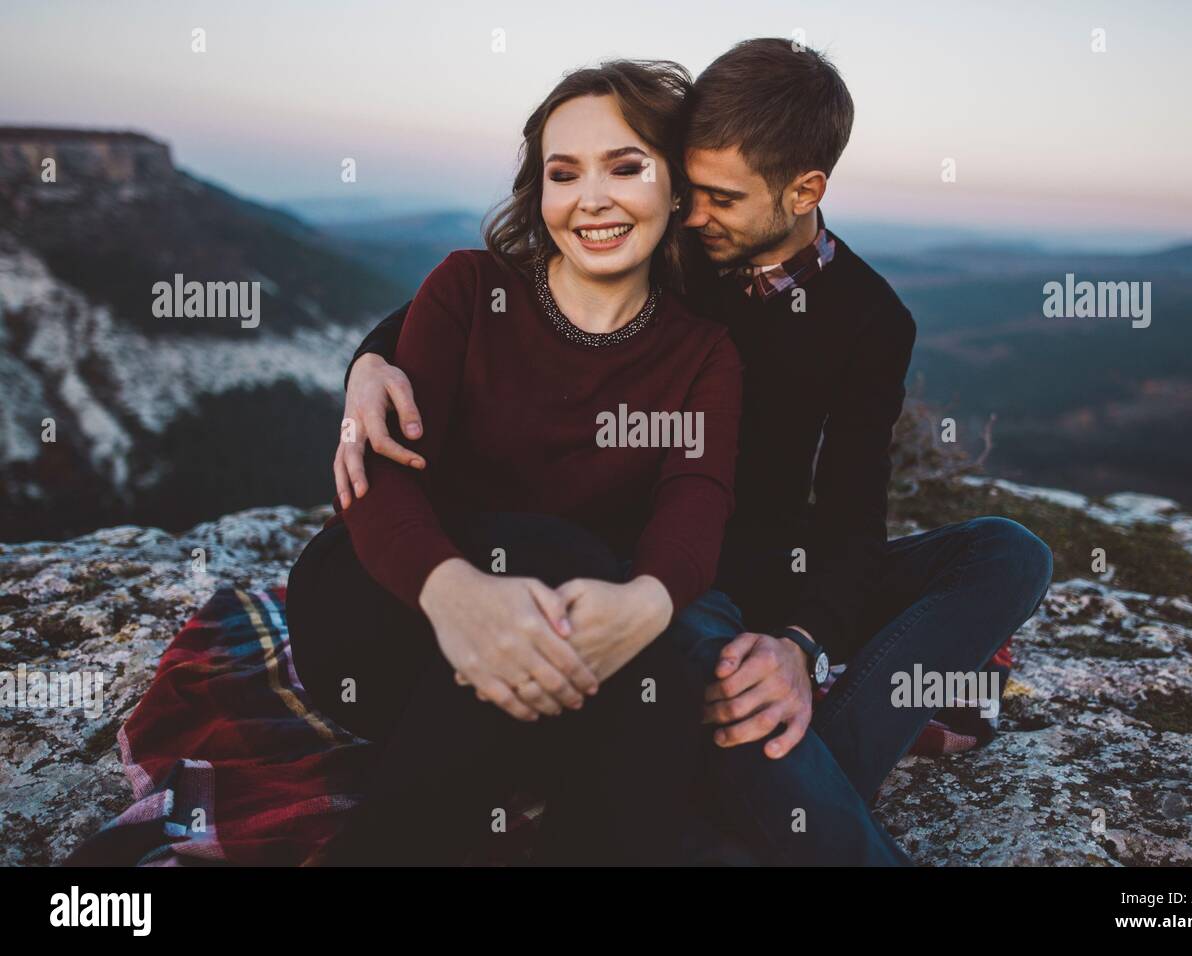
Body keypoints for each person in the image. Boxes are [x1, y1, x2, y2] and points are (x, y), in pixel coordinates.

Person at [337, 39, 1054, 865]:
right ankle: (798, 806)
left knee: (1009, 553)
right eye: (689, 187)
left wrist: (800, 642)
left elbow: (854, 509)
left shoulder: (869, 319)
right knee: (697, 642)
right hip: (669, 566)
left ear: (805, 190)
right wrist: (372, 358)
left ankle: (795, 762)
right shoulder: (678, 252)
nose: (693, 210)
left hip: (774, 566)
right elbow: (508, 294)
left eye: (719, 196)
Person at [286, 59, 744, 865]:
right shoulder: (468, 289)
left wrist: (648, 602)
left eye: (626, 166)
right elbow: (382, 473)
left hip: (555, 645)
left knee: (658, 682)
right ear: (540, 195)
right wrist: (454, 593)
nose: (591, 197)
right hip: (387, 610)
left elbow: (696, 500)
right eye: (563, 173)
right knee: (566, 556)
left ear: (678, 192)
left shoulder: (704, 352)